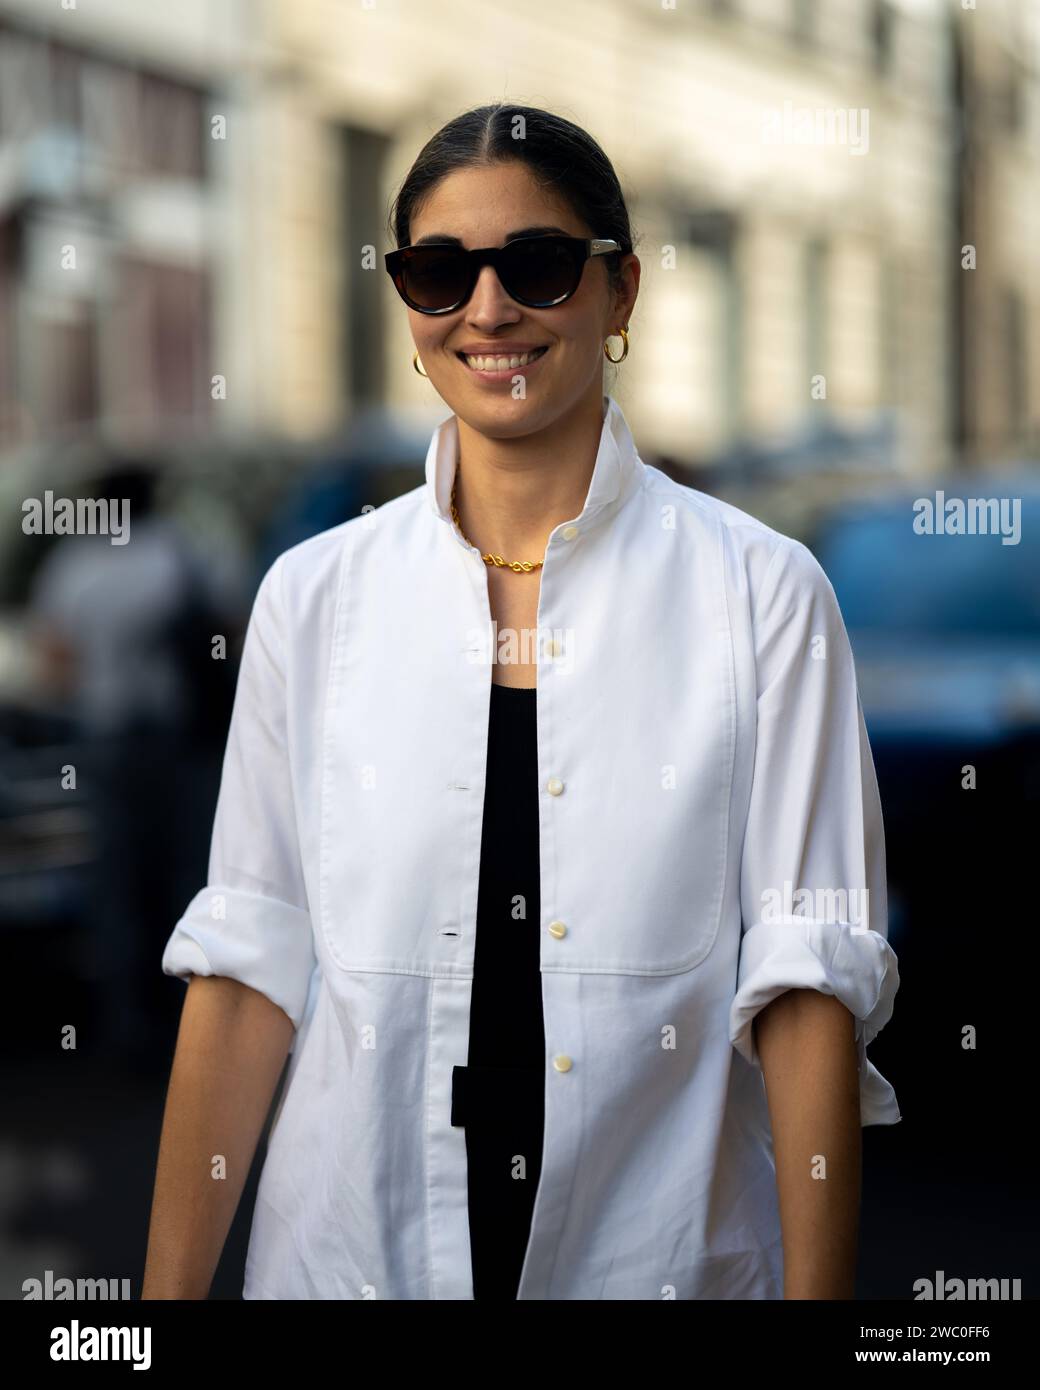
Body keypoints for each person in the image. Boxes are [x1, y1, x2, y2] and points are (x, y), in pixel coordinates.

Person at [144, 103, 900, 1302]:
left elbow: (808, 986)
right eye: (439, 273)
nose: (486, 311)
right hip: (348, 1264)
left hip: (659, 1265)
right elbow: (245, 973)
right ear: (407, 310)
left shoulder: (761, 596)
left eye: (537, 265)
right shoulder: (313, 601)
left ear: (621, 292)